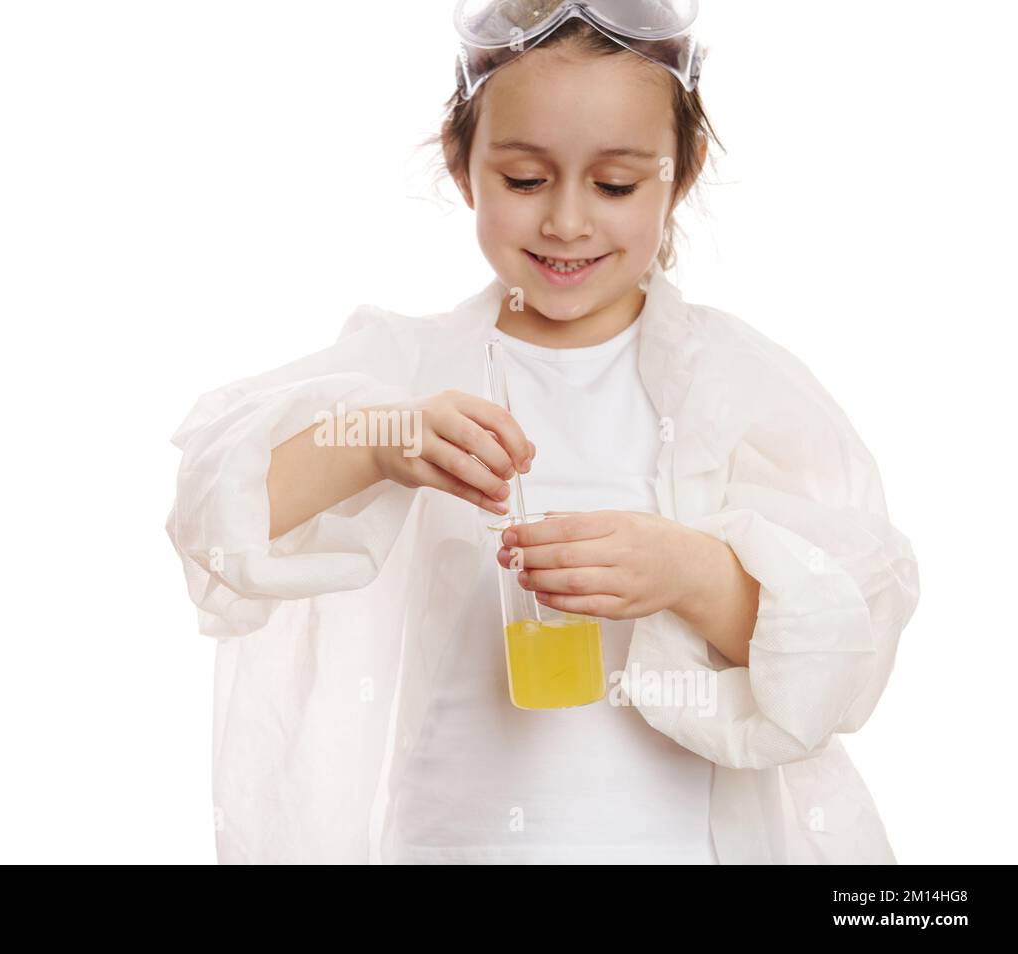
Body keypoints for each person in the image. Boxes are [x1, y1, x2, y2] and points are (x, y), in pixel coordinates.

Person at [165, 1, 920, 864]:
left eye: (616, 185)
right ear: (463, 167)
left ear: (683, 171)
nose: (566, 221)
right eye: (524, 180)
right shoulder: (409, 369)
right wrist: (377, 443)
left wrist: (689, 571)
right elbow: (213, 523)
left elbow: (843, 648)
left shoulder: (738, 389)